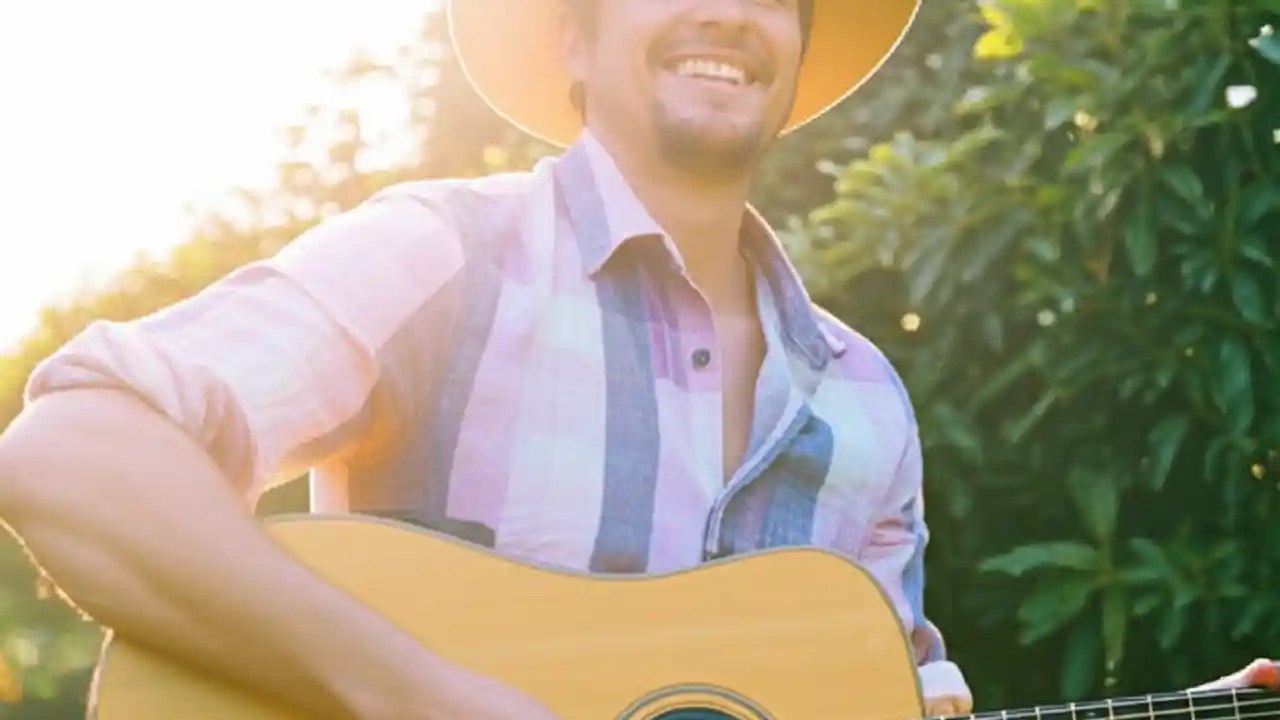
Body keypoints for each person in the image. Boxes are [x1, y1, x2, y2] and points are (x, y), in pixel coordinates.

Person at [0, 1, 1272, 718]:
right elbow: (68, 458)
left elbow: (876, 689)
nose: (728, 9)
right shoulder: (447, 257)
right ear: (571, 37)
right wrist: (420, 695)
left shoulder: (865, 398)